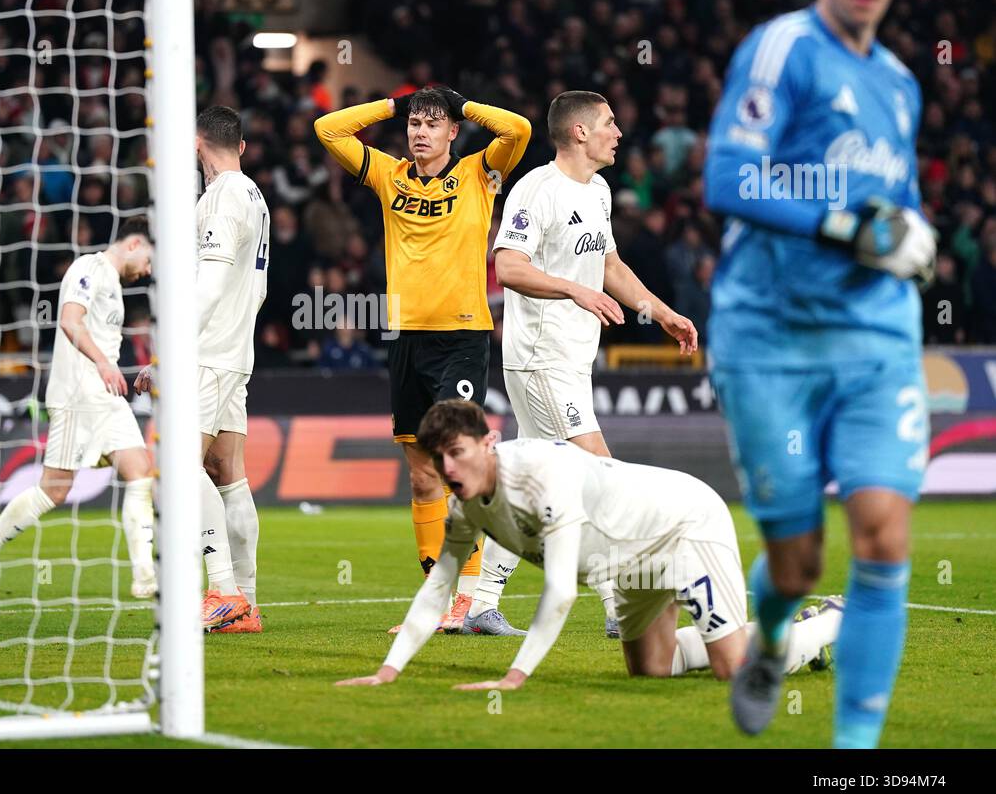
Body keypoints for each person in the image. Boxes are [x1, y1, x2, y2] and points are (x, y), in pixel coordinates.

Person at [704, 0, 935, 746]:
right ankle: (769, 639)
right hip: (768, 336)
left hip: (875, 336)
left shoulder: (902, 85)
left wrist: (912, 233)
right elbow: (727, 178)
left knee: (883, 531)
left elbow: (897, 209)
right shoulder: (783, 50)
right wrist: (846, 225)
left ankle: (855, 758)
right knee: (796, 561)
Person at [335, 401, 842, 690]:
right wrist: (388, 670)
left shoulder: (539, 475)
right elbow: (436, 592)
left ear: (488, 443)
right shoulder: (466, 506)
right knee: (650, 670)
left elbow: (560, 591)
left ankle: (833, 622)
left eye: (457, 453)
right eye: (438, 458)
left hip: (681, 526)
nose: (447, 470)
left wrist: (515, 675)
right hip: (628, 564)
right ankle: (770, 632)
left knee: (732, 669)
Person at [474, 90, 699, 638]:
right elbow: (507, 267)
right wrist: (573, 290)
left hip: (572, 361)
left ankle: (479, 603)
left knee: (531, 484)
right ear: (578, 132)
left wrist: (660, 311)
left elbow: (608, 263)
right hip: (540, 359)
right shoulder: (536, 189)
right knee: (602, 476)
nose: (618, 133)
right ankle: (622, 604)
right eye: (609, 123)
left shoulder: (598, 190)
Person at [315, 85, 531, 633]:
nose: (420, 131)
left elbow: (520, 131)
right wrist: (390, 104)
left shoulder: (481, 172)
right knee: (421, 478)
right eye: (414, 122)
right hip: (406, 339)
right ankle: (438, 599)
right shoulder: (389, 176)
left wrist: (465, 104)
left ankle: (475, 601)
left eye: (433, 123)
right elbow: (327, 129)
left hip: (461, 337)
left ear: (452, 132)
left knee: (460, 460)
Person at [0, 217, 157, 600]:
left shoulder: (113, 282)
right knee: (54, 490)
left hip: (104, 397)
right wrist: (101, 361)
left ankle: (145, 575)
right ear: (134, 243)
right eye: (149, 261)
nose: (148, 271)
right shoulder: (88, 268)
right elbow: (69, 320)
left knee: (140, 472)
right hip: (78, 393)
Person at [135, 106, 269, 633]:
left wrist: (171, 352)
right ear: (239, 145)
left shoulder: (223, 198)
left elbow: (211, 286)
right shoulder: (252, 193)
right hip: (233, 350)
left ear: (195, 145)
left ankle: (223, 590)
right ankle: (247, 602)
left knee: (179, 468)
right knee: (227, 475)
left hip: (208, 353)